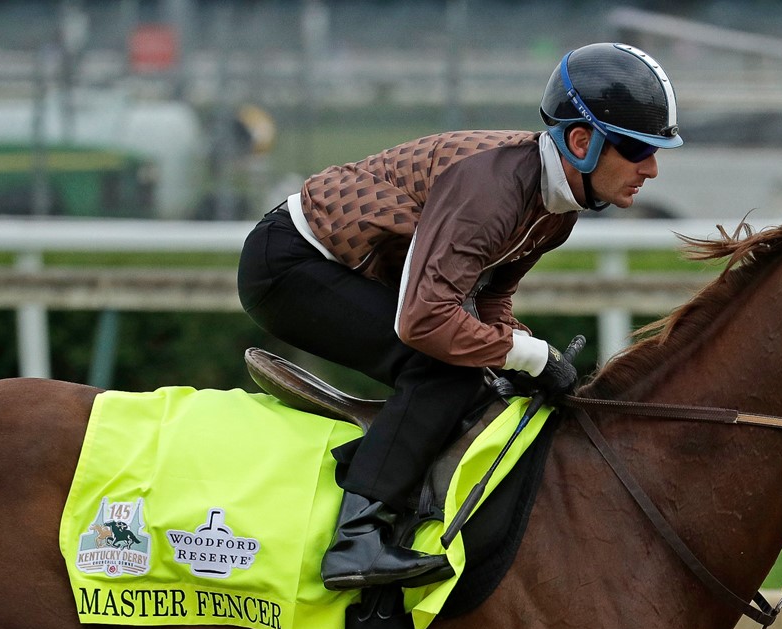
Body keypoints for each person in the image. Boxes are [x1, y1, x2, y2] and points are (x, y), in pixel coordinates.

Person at [237, 42, 682, 591]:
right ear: (582, 141)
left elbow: (490, 300)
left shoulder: (557, 210)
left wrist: (520, 350)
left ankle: (392, 484)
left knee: (486, 376)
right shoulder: (493, 190)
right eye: (639, 148)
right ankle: (356, 539)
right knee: (444, 368)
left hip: (343, 268)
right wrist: (531, 354)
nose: (653, 168)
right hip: (291, 265)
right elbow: (423, 321)